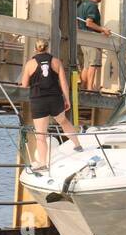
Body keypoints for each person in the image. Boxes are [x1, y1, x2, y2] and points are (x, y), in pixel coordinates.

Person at [20, 37, 82, 171]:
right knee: (63, 121)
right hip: (55, 99)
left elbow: (24, 84)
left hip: (38, 100)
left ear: (35, 49)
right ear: (47, 48)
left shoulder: (30, 64)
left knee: (41, 135)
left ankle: (43, 164)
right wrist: (67, 99)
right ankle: (77, 145)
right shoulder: (56, 62)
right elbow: (64, 83)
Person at [77, 0, 111, 91]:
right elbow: (89, 23)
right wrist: (102, 29)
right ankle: (90, 88)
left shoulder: (81, 5)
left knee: (86, 65)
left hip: (83, 39)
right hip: (92, 40)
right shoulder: (92, 6)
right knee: (93, 64)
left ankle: (83, 87)